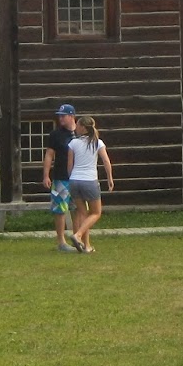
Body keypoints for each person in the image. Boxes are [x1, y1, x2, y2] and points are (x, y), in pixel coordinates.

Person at [66, 116, 114, 253]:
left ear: (82, 127)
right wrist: (109, 178)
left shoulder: (73, 143)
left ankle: (86, 246)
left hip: (74, 180)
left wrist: (71, 178)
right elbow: (106, 161)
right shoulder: (97, 143)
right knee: (96, 212)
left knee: (82, 213)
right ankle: (78, 235)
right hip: (89, 180)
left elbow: (69, 165)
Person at [42, 103, 78, 252]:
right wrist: (46, 175)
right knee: (60, 209)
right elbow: (49, 154)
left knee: (79, 209)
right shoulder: (56, 135)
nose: (60, 118)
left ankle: (78, 237)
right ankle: (61, 242)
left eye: (63, 115)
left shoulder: (82, 133)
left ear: (72, 116)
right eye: (59, 116)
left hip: (78, 178)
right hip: (60, 177)